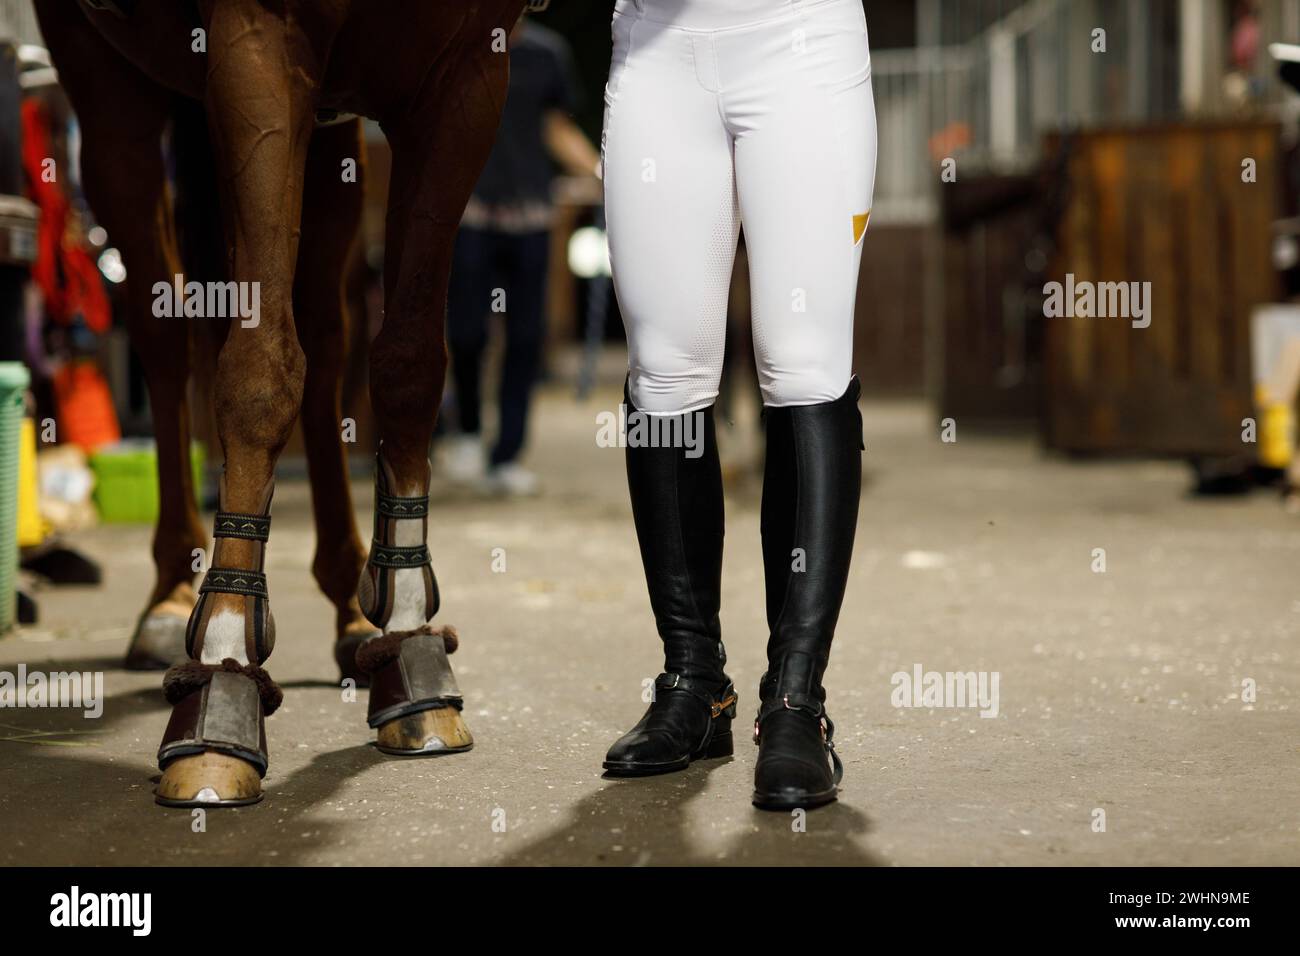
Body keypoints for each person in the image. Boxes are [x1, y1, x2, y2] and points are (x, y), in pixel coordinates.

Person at [599, 0, 877, 810]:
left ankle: (796, 701)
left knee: (803, 362)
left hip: (799, 38)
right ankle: (694, 681)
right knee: (663, 370)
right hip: (656, 47)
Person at [444, 15, 599, 496]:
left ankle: (507, 454)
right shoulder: (461, 43)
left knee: (526, 339)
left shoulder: (547, 53)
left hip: (532, 217)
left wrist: (600, 170)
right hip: (474, 213)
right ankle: (468, 431)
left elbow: (555, 127)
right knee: (467, 332)